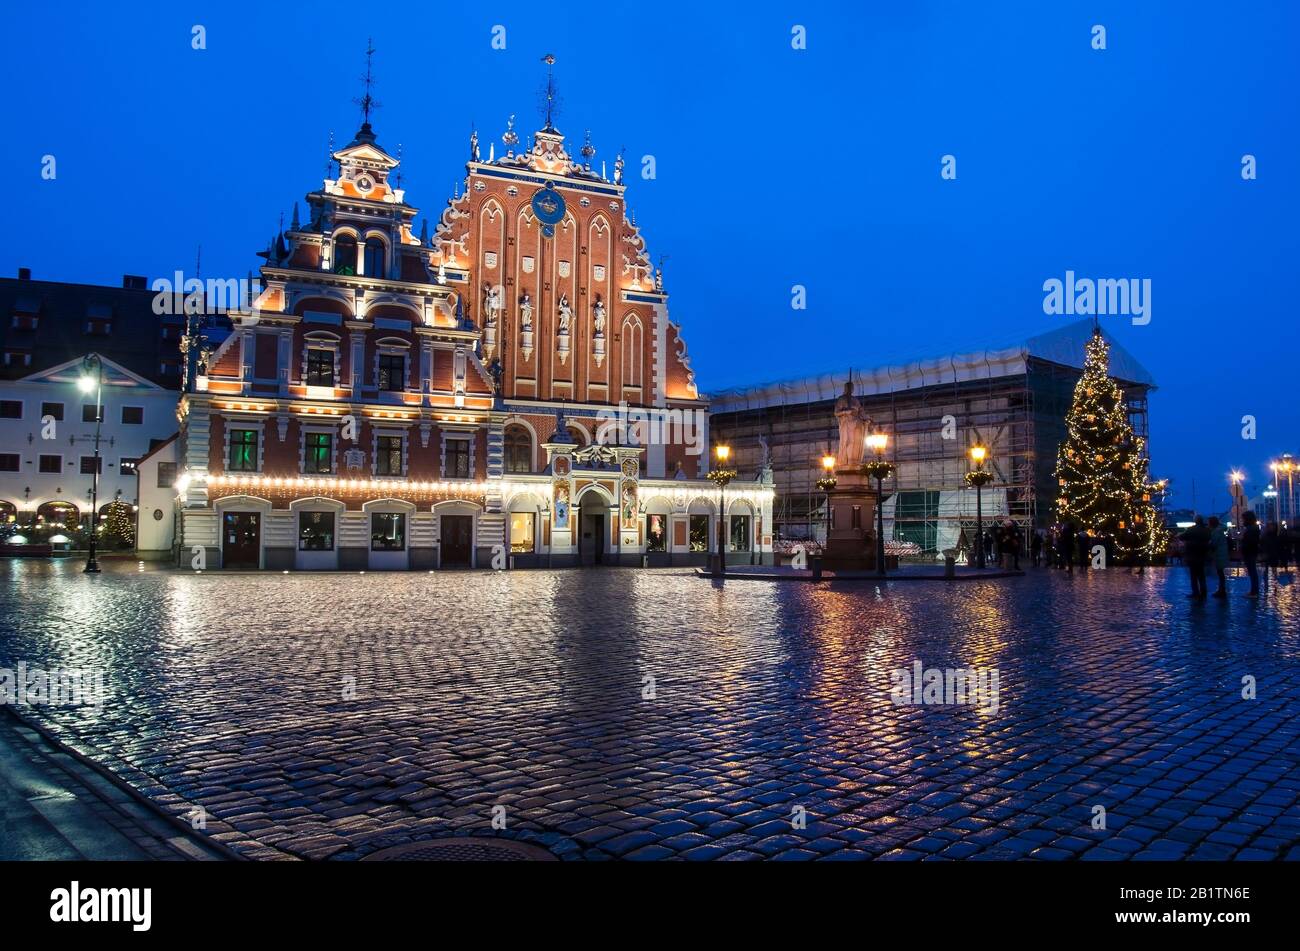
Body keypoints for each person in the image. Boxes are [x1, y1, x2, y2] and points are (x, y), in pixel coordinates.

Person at [1181, 516, 1211, 599]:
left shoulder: (1191, 529)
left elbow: (1182, 537)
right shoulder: (1206, 530)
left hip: (1192, 554)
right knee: (1201, 574)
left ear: (1195, 521)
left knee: (1193, 575)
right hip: (1202, 554)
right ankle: (1203, 592)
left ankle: (1195, 592)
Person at [1240, 511, 1261, 598]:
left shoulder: (1251, 529)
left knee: (1252, 571)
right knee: (1252, 571)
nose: (1242, 520)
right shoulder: (1253, 528)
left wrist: (1243, 542)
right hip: (1251, 551)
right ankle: (1254, 591)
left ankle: (1254, 592)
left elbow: (1250, 542)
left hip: (1250, 551)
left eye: (1243, 518)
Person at [1207, 516, 1229, 598]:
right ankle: (1221, 589)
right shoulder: (1220, 530)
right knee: (1220, 573)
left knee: (1220, 573)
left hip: (1219, 554)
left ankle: (1221, 590)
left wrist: (1208, 545)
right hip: (1222, 553)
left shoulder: (1215, 532)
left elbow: (1214, 544)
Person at [1262, 521, 1282, 592]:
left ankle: (1274, 585)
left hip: (1273, 554)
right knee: (1266, 570)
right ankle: (1267, 584)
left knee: (1273, 570)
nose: (1271, 527)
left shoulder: (1276, 536)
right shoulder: (1266, 536)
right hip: (1268, 554)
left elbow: (1279, 546)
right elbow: (1263, 545)